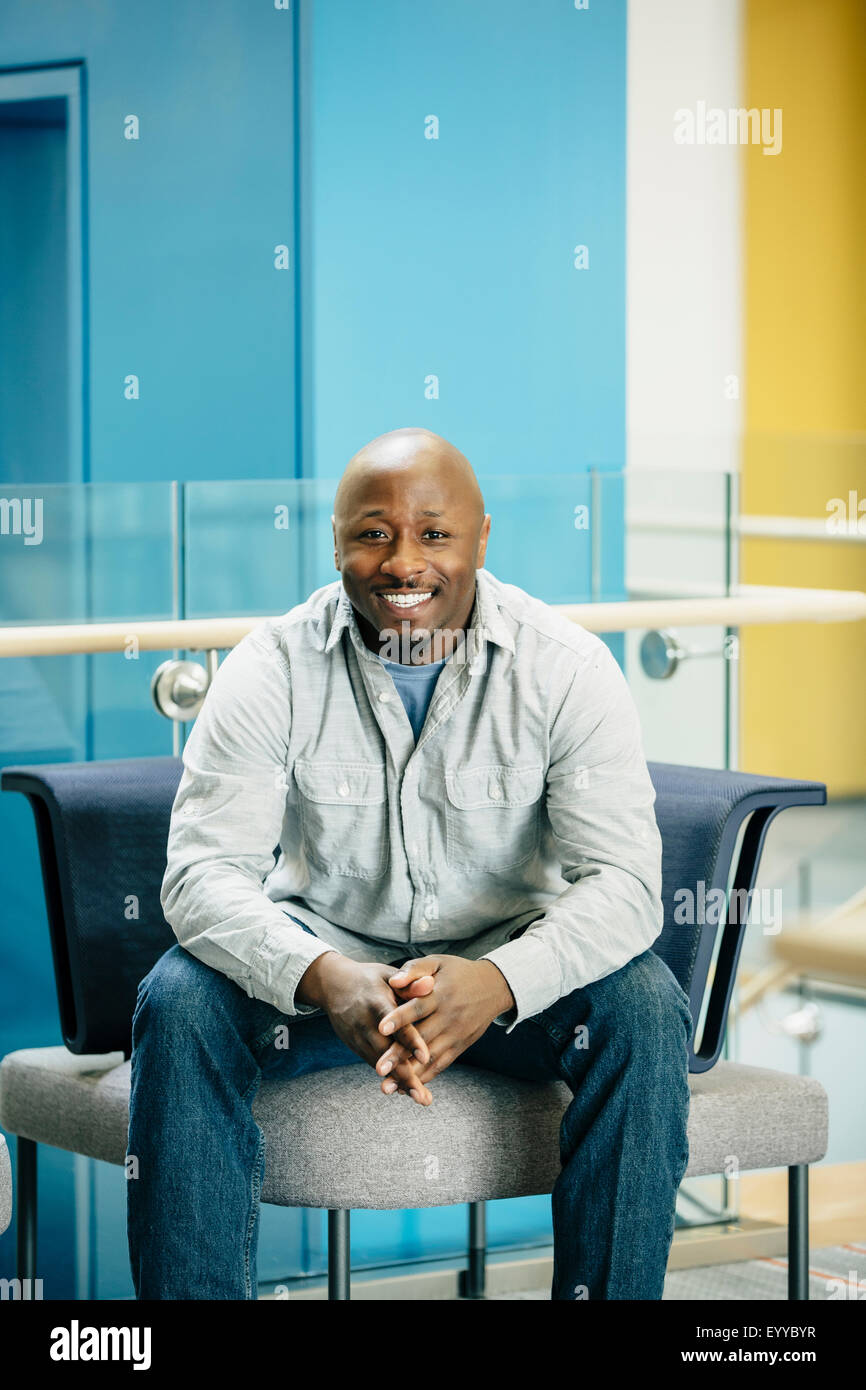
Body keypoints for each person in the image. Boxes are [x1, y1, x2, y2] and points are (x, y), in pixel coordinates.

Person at [127, 426, 692, 1301]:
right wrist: (323, 976)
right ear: (339, 543)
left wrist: (497, 982)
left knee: (646, 1004)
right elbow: (200, 875)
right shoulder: (270, 666)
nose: (403, 563)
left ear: (481, 540)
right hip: (326, 981)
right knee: (180, 998)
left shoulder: (568, 669)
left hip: (512, 981)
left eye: (434, 534)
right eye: (373, 533)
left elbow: (623, 885)